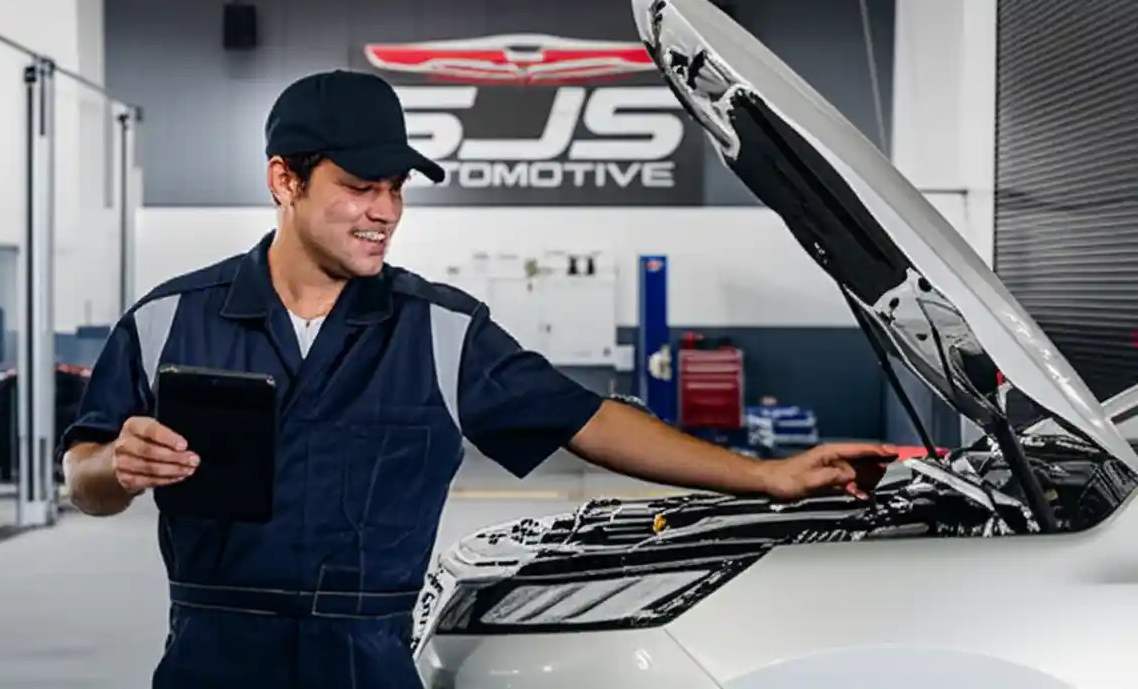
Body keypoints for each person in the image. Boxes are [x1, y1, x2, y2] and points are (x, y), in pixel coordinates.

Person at [59, 68, 898, 688]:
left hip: (369, 662)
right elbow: (85, 478)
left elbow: (587, 421)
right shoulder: (170, 318)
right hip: (214, 656)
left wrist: (764, 476)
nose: (383, 211)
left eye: (394, 189)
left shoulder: (440, 329)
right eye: (358, 188)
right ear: (284, 179)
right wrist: (115, 466)